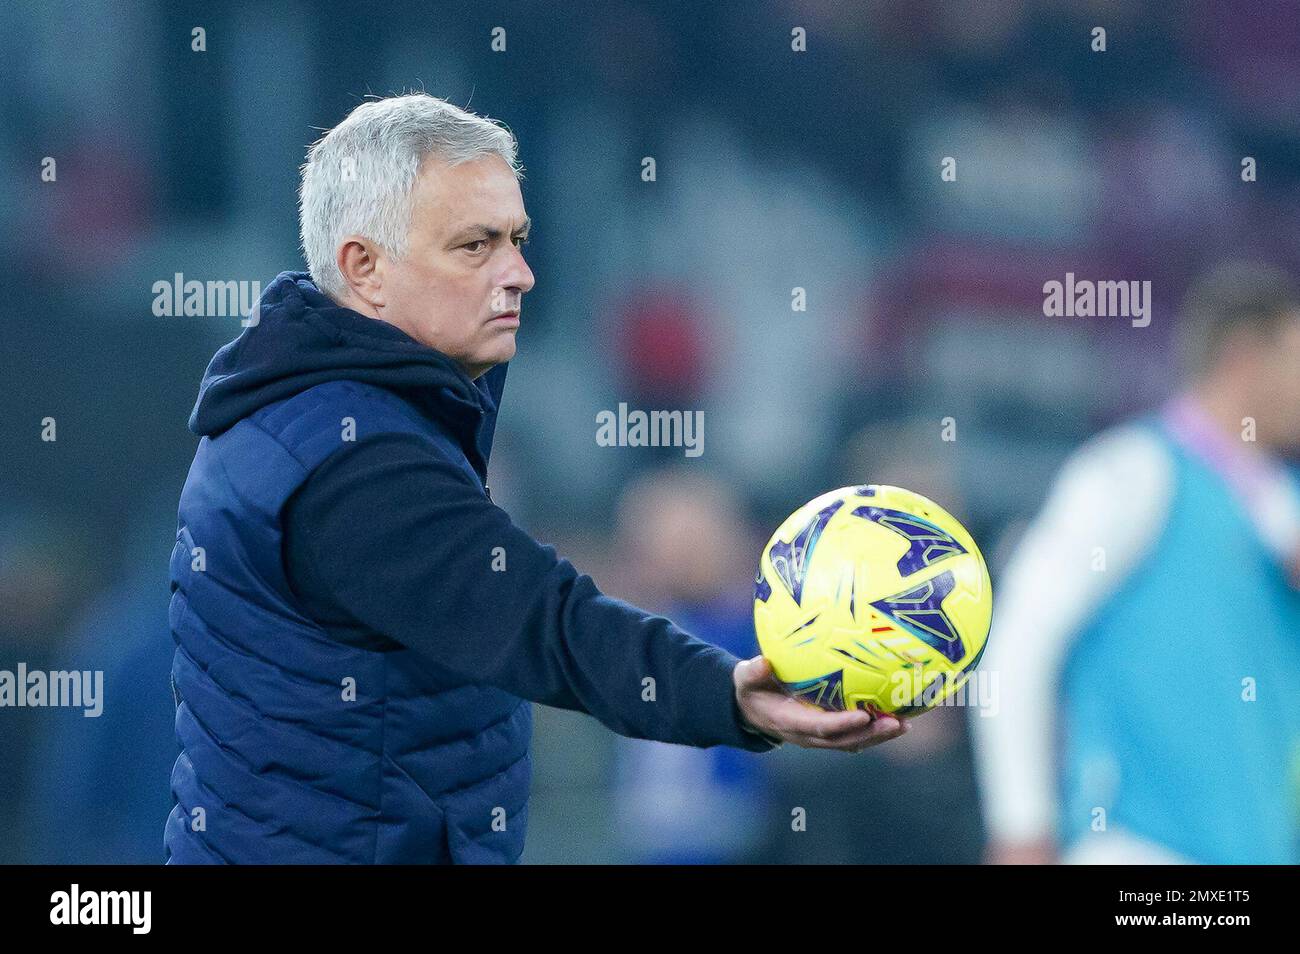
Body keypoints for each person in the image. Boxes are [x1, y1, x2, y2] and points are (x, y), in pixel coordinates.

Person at [164, 93, 907, 865]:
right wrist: (726, 696)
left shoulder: (321, 415)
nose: (519, 273)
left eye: (518, 238)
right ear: (365, 268)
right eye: (476, 245)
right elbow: (542, 618)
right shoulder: (352, 456)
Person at [972, 261, 1300, 864]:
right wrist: (1021, 827)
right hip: (1136, 852)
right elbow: (1019, 643)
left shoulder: (1283, 501)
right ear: (1246, 358)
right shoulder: (1132, 471)